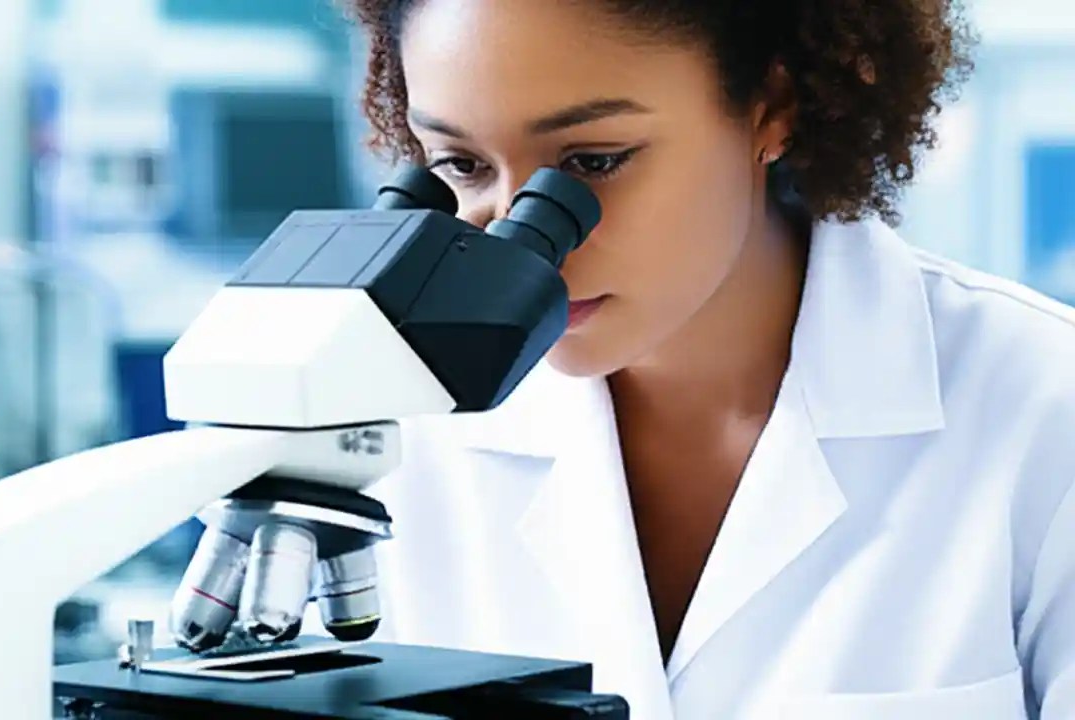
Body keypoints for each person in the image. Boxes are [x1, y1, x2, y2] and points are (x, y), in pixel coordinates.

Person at [333, 0, 1075, 717]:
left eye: (592, 161)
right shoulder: (394, 430)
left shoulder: (1042, 407)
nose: (517, 243)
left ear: (771, 106)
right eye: (461, 166)